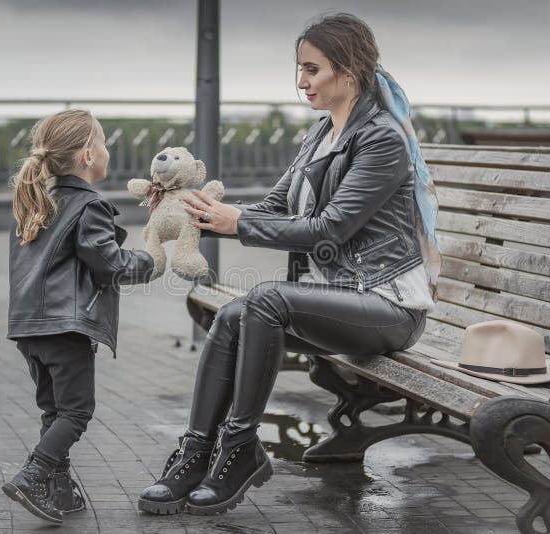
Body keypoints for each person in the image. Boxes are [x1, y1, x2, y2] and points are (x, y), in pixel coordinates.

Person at [139, 12, 442, 516]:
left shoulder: (381, 139)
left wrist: (238, 224)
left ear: (350, 70)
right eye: (299, 69)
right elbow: (276, 206)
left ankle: (239, 450)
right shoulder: (321, 133)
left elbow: (331, 228)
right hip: (343, 300)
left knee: (265, 300)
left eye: (313, 69)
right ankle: (195, 454)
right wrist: (204, 213)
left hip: (387, 305)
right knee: (235, 314)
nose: (302, 82)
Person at [3, 109, 156, 524]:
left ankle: (60, 489)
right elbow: (109, 264)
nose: (108, 150)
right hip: (65, 328)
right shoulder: (89, 206)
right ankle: (33, 475)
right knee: (76, 412)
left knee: (55, 411)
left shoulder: (37, 201)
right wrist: (151, 261)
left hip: (30, 328)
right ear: (88, 155)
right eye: (104, 142)